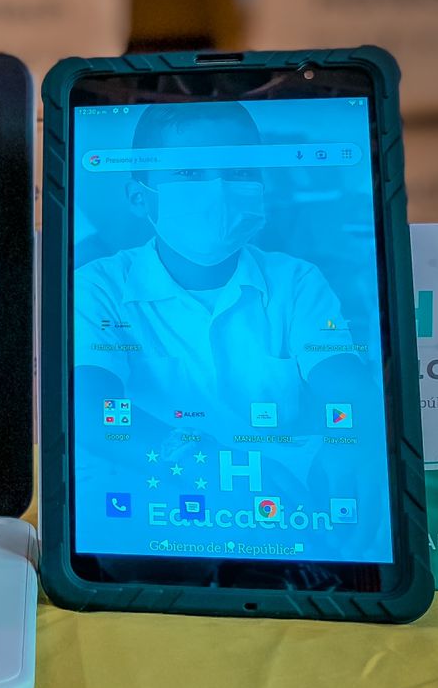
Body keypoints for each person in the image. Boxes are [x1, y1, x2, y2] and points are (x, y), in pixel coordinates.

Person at [74, 101, 367, 444]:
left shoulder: (297, 281)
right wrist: (207, 461)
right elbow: (90, 411)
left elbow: (348, 390)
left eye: (240, 172)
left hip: (287, 475)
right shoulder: (98, 287)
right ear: (139, 197)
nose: (219, 189)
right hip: (154, 474)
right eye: (188, 172)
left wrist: (351, 445)